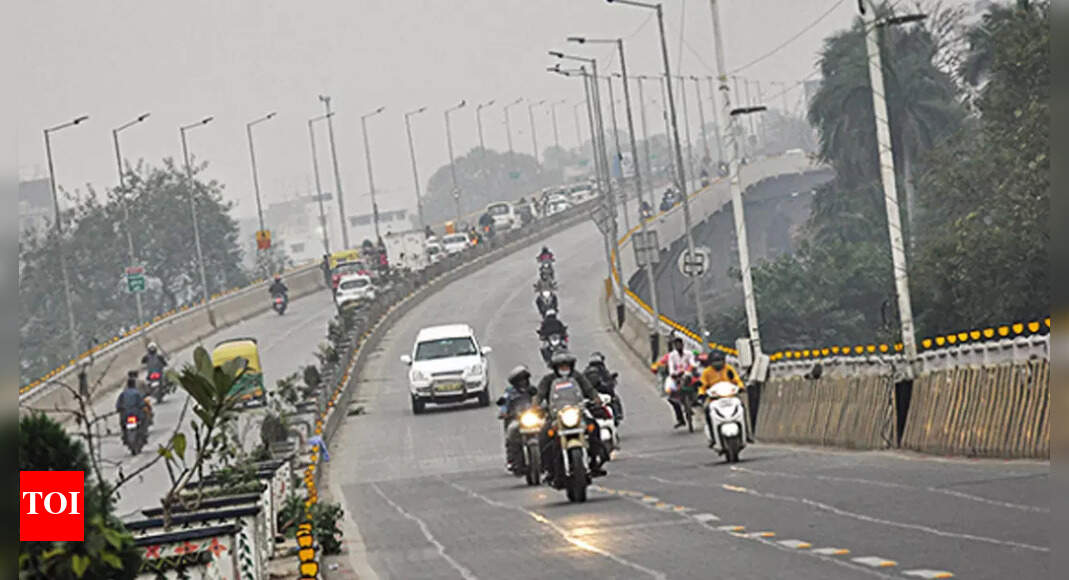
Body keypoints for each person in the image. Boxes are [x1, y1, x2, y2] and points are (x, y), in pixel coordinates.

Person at [535, 351, 607, 478]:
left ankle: (595, 461)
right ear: (555, 368)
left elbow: (589, 390)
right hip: (556, 416)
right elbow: (539, 395)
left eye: (566, 366)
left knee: (593, 427)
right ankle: (547, 468)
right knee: (544, 435)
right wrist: (535, 406)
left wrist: (596, 399)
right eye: (561, 366)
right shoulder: (548, 380)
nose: (564, 369)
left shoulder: (578, 377)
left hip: (577, 414)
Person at [699, 350, 752, 442]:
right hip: (715, 399)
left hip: (731, 397)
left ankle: (746, 433)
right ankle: (713, 437)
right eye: (715, 361)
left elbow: (736, 380)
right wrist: (701, 394)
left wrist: (740, 387)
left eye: (719, 360)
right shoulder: (706, 373)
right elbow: (702, 385)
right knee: (707, 411)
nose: (718, 363)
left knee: (742, 408)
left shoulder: (728, 369)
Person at [497, 365, 537, 470]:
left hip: (532, 418)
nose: (523, 382)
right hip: (516, 419)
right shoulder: (509, 392)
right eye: (520, 380)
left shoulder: (532, 390)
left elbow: (540, 399)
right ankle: (512, 459)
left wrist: (543, 407)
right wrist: (503, 412)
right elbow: (504, 404)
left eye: (524, 379)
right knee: (511, 432)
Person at [665, 335, 696, 428]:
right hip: (676, 376)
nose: (678, 346)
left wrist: (689, 369)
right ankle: (680, 419)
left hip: (687, 375)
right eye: (676, 345)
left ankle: (694, 400)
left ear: (683, 345)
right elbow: (671, 366)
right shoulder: (672, 355)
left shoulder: (689, 354)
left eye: (680, 344)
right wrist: (673, 373)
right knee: (671, 397)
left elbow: (692, 363)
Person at [583, 352, 622, 423]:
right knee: (614, 399)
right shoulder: (602, 370)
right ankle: (617, 415)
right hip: (597, 394)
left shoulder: (586, 370)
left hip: (592, 395)